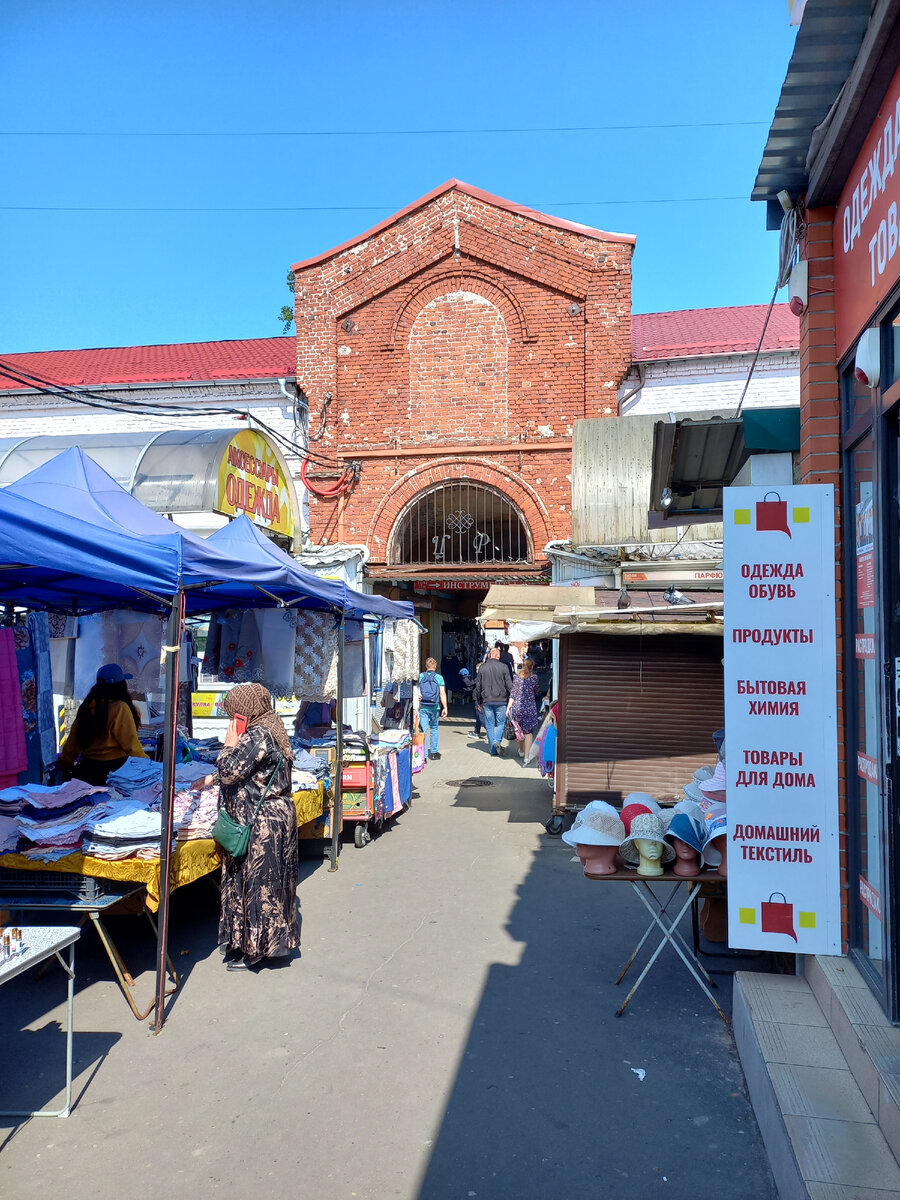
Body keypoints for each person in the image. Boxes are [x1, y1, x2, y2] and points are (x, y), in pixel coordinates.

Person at [216, 683, 299, 971]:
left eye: (234, 713)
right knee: (269, 885)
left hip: (262, 823)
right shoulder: (272, 727)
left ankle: (258, 950)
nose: (232, 719)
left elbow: (229, 771)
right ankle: (256, 944)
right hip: (273, 819)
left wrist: (228, 744)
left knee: (260, 886)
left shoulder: (257, 734)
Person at [58, 663, 148, 785]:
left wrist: (65, 765)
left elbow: (71, 745)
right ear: (121, 686)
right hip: (115, 774)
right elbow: (132, 746)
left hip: (86, 773)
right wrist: (150, 766)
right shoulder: (120, 708)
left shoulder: (86, 707)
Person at [474, 646, 512, 757]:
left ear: (490, 655)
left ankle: (493, 750)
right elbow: (509, 685)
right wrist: (511, 699)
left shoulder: (482, 668)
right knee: (501, 722)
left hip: (487, 700)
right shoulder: (504, 667)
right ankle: (497, 741)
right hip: (501, 700)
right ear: (499, 656)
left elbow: (478, 686)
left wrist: (479, 701)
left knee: (489, 724)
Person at [507, 657, 542, 763]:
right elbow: (537, 691)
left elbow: (513, 693)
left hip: (517, 707)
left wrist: (508, 707)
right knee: (528, 733)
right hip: (530, 708)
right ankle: (526, 757)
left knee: (519, 731)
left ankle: (521, 750)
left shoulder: (517, 678)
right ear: (532, 667)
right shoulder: (534, 678)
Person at [417, 657, 448, 760]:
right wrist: (445, 707)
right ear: (435, 666)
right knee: (434, 728)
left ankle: (423, 755)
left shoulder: (420, 676)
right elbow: (442, 694)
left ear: (426, 666)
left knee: (423, 730)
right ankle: (434, 752)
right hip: (435, 707)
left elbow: (416, 691)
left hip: (423, 707)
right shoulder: (439, 678)